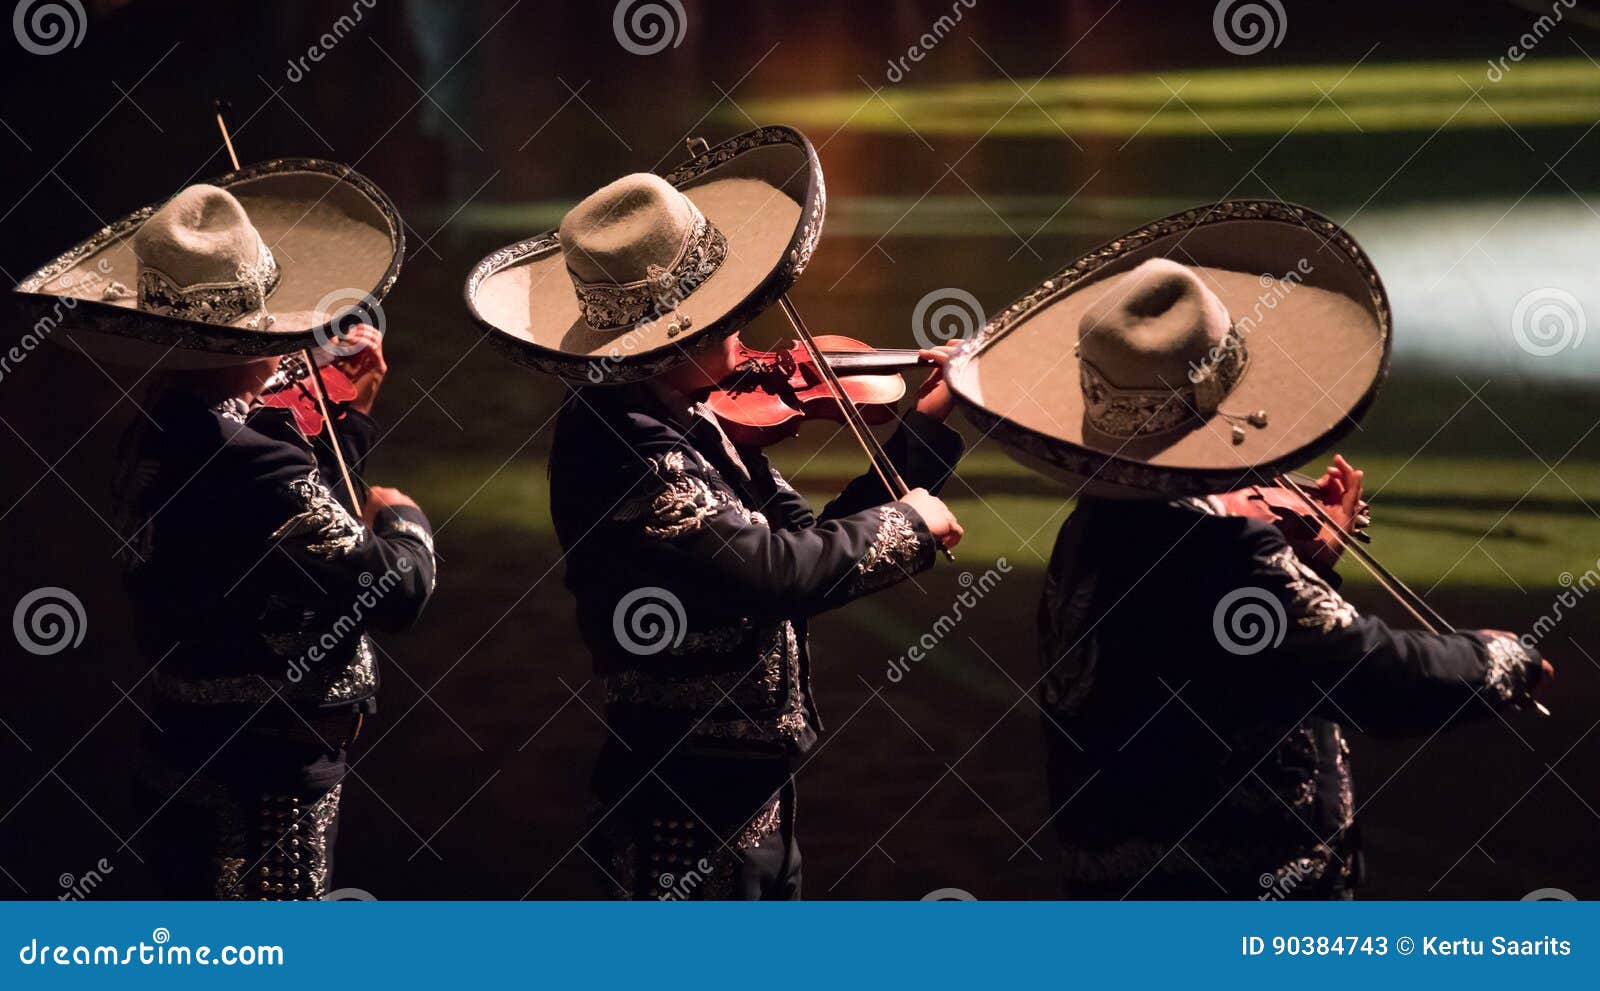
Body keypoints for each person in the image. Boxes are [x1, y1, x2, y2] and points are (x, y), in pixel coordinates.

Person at [945, 208, 1552, 899]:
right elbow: (1369, 675)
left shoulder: (1094, 525)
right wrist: (1497, 660)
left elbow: (1217, 652)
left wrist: (1306, 560)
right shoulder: (1231, 553)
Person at [468, 130, 963, 899]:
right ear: (666, 340)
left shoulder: (691, 416)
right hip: (680, 804)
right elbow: (776, 574)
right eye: (721, 316)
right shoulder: (625, 450)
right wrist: (909, 529)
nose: (745, 334)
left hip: (747, 793)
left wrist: (929, 430)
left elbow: (806, 543)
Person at [25, 172, 435, 899]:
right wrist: (402, 519)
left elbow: (294, 548)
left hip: (193, 759)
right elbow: (393, 588)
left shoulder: (159, 424)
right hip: (260, 790)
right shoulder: (251, 455)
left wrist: (346, 422)